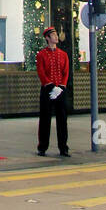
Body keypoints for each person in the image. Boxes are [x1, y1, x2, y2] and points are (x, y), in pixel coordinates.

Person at [36, 26, 70, 157]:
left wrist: (61, 87)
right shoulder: (41, 55)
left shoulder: (63, 55)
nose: (56, 37)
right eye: (54, 35)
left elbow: (65, 72)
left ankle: (63, 147)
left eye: (56, 35)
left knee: (62, 119)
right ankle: (42, 147)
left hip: (60, 90)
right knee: (45, 119)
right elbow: (41, 72)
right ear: (47, 38)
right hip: (47, 90)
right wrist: (51, 87)